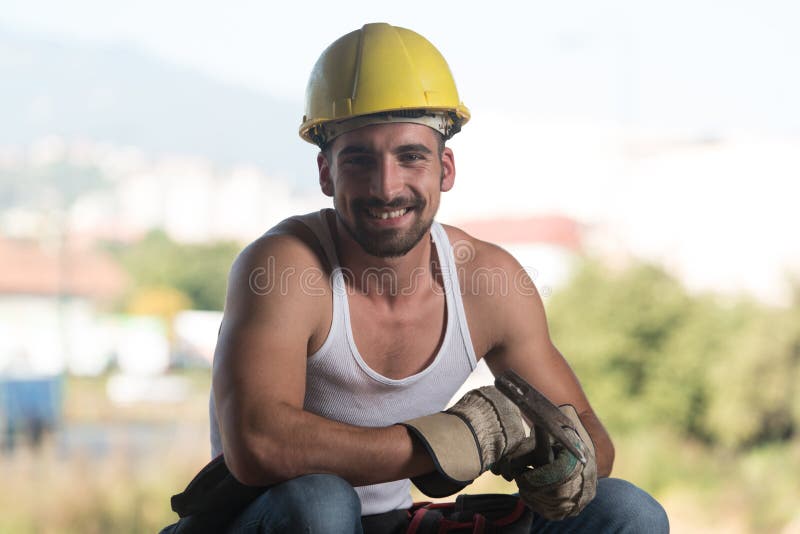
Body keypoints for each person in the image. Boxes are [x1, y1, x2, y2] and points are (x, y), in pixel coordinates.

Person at [205, 22, 669, 533]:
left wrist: (552, 457)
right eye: (359, 160)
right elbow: (258, 445)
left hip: (396, 522)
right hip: (264, 519)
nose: (387, 187)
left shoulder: (487, 281)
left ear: (445, 169)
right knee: (321, 501)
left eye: (411, 157)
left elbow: (594, 443)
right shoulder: (284, 267)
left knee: (627, 512)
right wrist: (451, 443)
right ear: (325, 173)